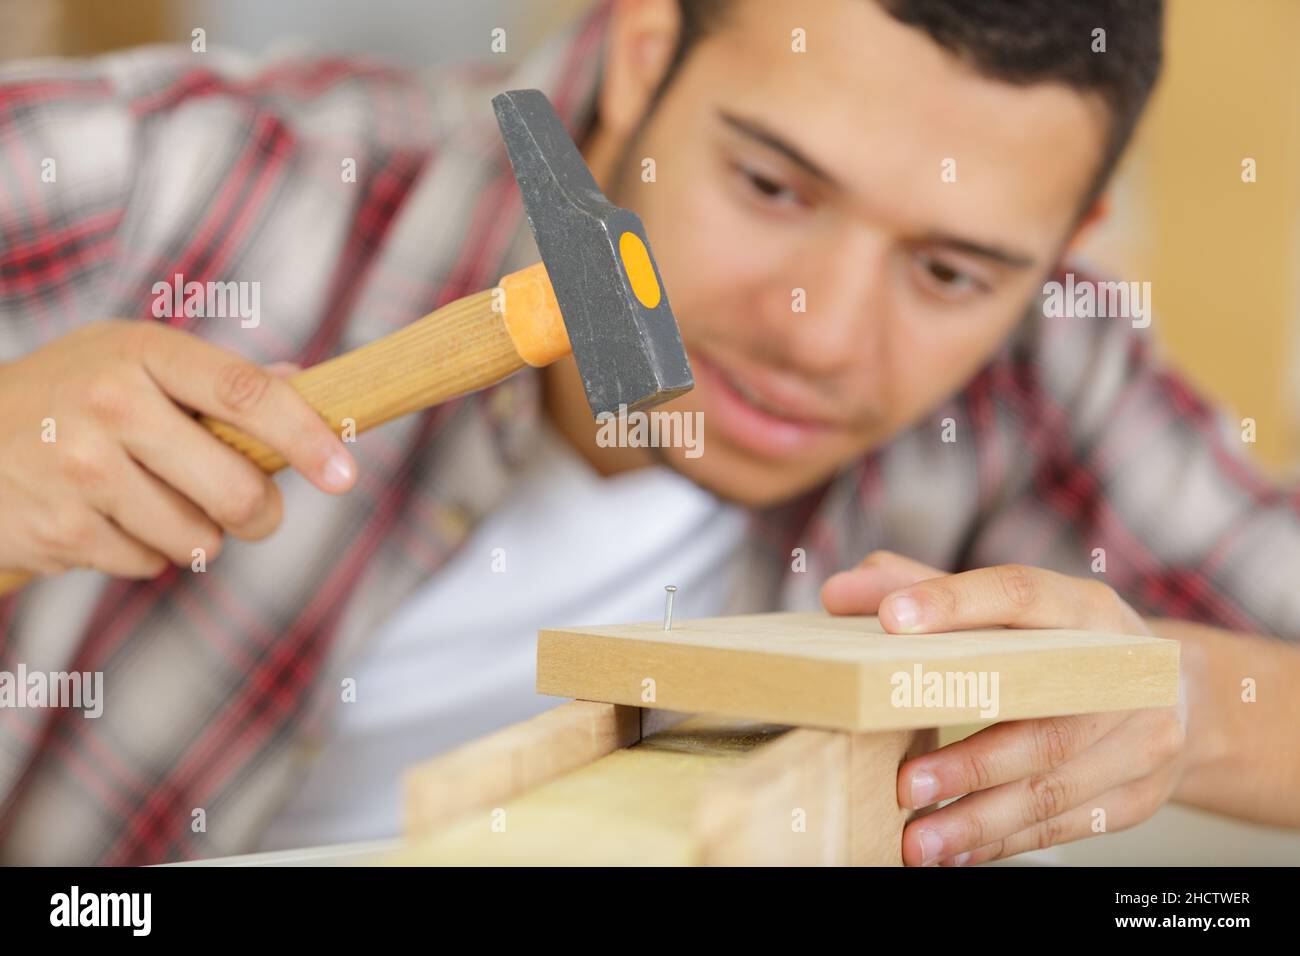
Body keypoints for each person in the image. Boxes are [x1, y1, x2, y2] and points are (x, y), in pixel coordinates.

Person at [0, 0, 1296, 865]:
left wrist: (1185, 708)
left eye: (951, 272)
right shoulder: (181, 177)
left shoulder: (1042, 363)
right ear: (639, 54)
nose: (824, 336)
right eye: (774, 186)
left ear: (1058, 253)